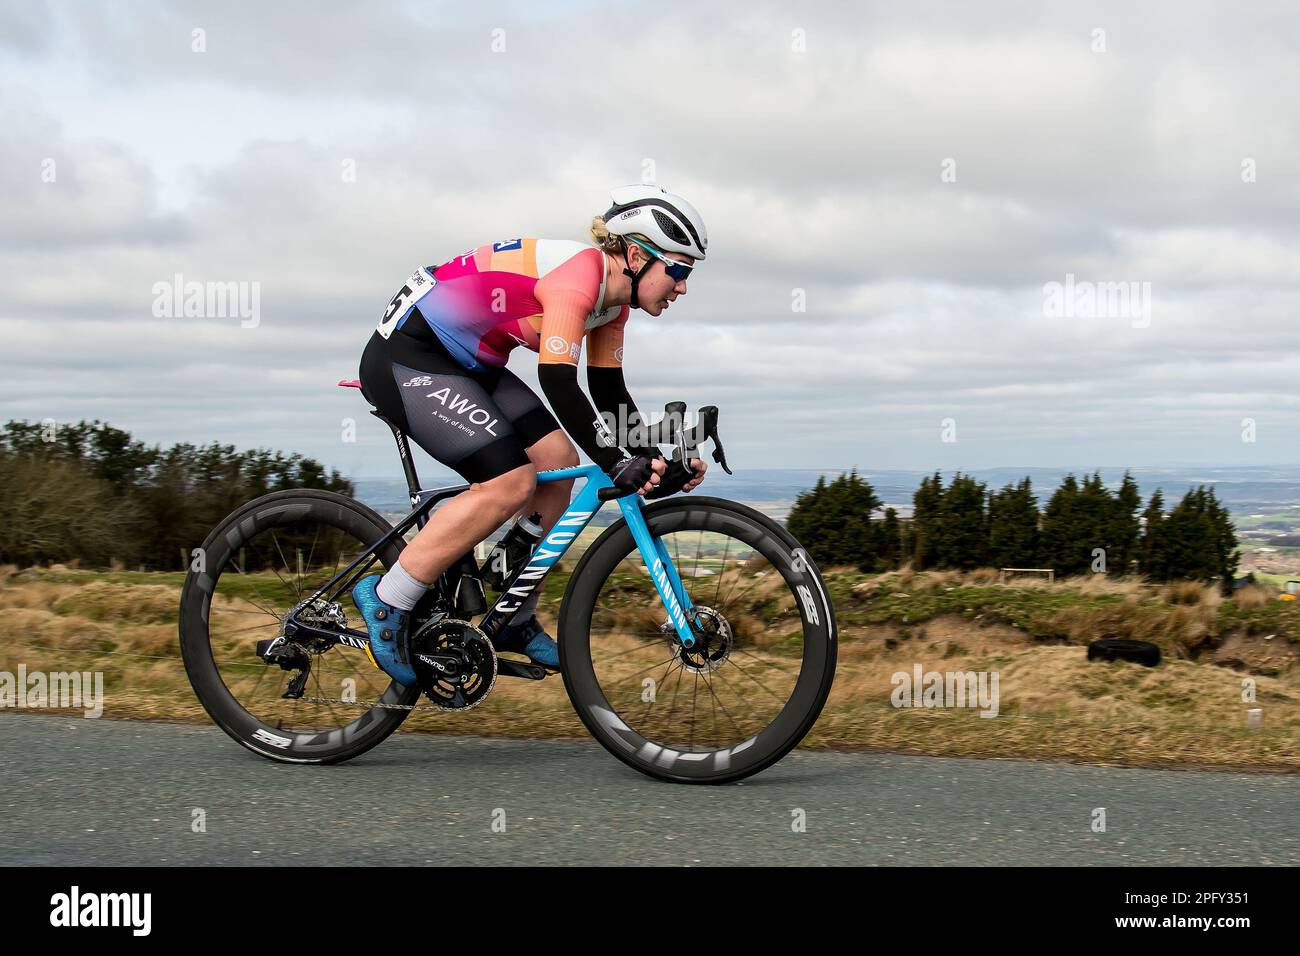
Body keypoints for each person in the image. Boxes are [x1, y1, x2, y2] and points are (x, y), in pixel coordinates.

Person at [351, 185, 709, 683]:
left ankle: (512, 611)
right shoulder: (579, 279)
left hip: (471, 361)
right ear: (635, 255)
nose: (683, 287)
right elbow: (557, 379)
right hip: (411, 356)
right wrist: (613, 462)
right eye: (679, 270)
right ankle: (390, 598)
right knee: (509, 483)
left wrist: (651, 460)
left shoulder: (614, 304)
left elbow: (607, 392)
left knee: (557, 464)